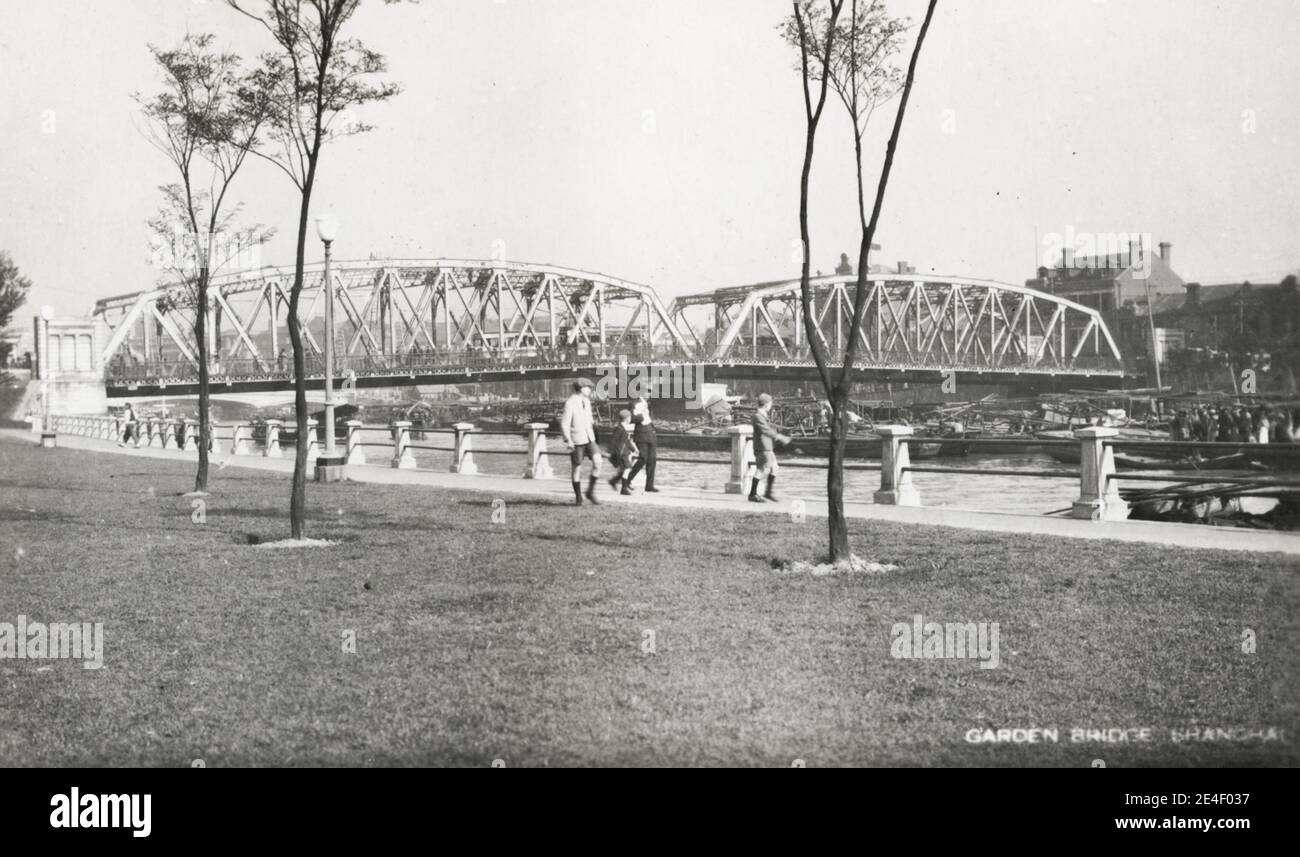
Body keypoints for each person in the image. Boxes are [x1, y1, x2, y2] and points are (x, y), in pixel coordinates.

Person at [560, 377, 603, 505]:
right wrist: (568, 440)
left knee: (598, 462)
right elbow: (564, 424)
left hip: (589, 438)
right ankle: (578, 497)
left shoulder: (587, 402)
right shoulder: (570, 403)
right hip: (577, 440)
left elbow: (589, 420)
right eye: (588, 387)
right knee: (576, 468)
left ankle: (590, 491)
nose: (590, 390)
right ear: (582, 388)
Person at [750, 393, 790, 503]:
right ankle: (752, 494)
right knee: (761, 469)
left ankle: (768, 493)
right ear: (766, 404)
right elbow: (765, 430)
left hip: (767, 446)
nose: (771, 405)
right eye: (770, 403)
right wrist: (779, 437)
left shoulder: (762, 415)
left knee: (774, 468)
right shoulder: (758, 416)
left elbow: (769, 427)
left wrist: (781, 430)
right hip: (762, 447)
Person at [628, 397, 658, 492]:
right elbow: (631, 418)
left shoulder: (647, 402)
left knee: (652, 460)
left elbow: (649, 416)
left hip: (650, 432)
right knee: (643, 458)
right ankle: (627, 479)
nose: (648, 393)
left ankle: (649, 486)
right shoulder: (634, 403)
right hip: (641, 433)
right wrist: (641, 416)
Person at [606, 409, 638, 496]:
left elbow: (626, 441)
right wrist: (610, 452)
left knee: (625, 469)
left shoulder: (622, 428)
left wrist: (633, 449)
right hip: (621, 453)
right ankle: (623, 489)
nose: (630, 419)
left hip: (624, 452)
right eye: (630, 417)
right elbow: (613, 441)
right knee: (627, 469)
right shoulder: (619, 429)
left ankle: (614, 481)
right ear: (627, 418)